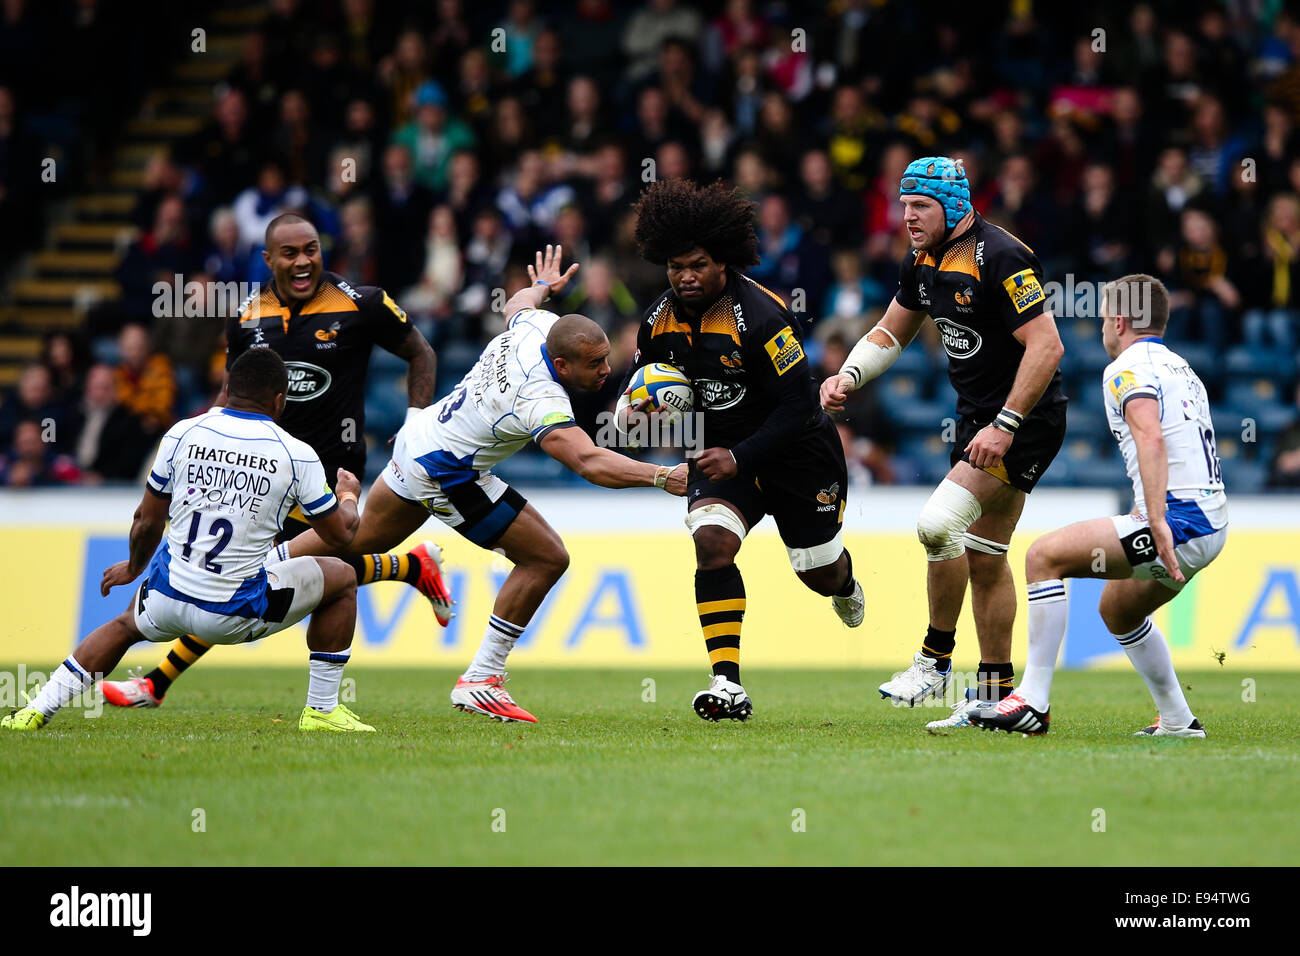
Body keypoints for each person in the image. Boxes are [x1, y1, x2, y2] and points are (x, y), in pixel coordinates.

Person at [281, 245, 689, 723]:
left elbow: (517, 304)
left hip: (422, 439)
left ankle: (255, 567)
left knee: (353, 539)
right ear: (562, 367)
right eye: (595, 363)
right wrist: (662, 475)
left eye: (605, 359)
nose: (606, 370)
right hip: (447, 470)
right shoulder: (539, 396)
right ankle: (481, 679)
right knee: (546, 557)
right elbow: (588, 462)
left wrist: (542, 287)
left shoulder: (535, 327)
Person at [100, 212, 445, 710]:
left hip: (326, 469)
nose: (304, 261)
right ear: (269, 259)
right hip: (258, 474)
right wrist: (204, 445)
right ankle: (411, 567)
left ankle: (156, 684)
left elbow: (422, 352)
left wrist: (415, 421)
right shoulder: (246, 314)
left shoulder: (361, 303)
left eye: (312, 249)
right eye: (291, 253)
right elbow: (229, 392)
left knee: (244, 576)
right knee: (237, 580)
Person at [3, 349, 374, 733]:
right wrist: (348, 494)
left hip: (167, 599)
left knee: (125, 625)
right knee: (342, 577)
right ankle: (322, 711)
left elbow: (147, 521)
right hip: (234, 613)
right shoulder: (296, 455)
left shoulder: (182, 432)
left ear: (227, 388)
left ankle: (36, 709)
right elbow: (342, 534)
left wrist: (134, 567)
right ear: (281, 400)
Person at [822, 156, 1067, 729]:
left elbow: (1048, 346)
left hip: (1023, 420)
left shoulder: (1001, 256)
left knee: (937, 525)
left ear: (954, 205)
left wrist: (1005, 425)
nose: (906, 217)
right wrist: (849, 375)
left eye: (920, 206)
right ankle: (996, 694)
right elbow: (890, 330)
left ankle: (933, 662)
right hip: (978, 415)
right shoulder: (921, 260)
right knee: (985, 557)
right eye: (903, 205)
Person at [625, 179, 865, 722]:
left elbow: (801, 407)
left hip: (798, 454)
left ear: (724, 262)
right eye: (675, 266)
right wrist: (632, 409)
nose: (685, 276)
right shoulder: (657, 320)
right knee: (711, 542)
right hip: (721, 454)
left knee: (818, 574)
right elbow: (646, 383)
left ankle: (845, 581)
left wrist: (742, 456)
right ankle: (726, 681)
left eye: (698, 265)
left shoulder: (762, 315)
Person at [971, 275, 1224, 737]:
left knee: (1042, 557)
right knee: (1118, 611)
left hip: (1179, 521)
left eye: (1106, 317)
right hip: (1211, 524)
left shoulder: (1127, 368)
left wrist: (1158, 519)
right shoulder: (1181, 367)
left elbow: (1149, 435)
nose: (1103, 328)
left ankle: (1031, 701)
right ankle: (1177, 720)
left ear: (1121, 321)